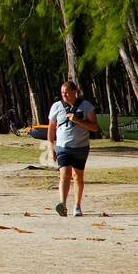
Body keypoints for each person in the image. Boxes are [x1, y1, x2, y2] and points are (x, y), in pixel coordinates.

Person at [46, 80, 98, 217]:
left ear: (75, 92)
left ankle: (77, 206)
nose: (64, 95)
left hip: (80, 147)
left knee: (77, 176)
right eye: (62, 93)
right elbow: (51, 129)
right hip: (63, 147)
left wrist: (78, 120)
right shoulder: (56, 106)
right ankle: (62, 205)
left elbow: (94, 127)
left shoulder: (87, 107)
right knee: (64, 174)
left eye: (67, 92)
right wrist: (51, 148)